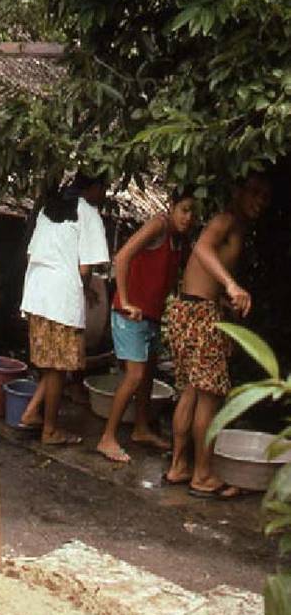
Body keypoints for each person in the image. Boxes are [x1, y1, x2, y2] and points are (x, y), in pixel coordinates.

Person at [164, 173, 272, 497]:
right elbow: (202, 249)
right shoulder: (225, 219)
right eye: (254, 193)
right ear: (238, 191)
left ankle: (179, 467)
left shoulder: (233, 224)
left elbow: (201, 271)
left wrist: (222, 296)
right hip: (200, 315)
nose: (259, 202)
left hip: (188, 308)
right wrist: (231, 284)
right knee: (209, 395)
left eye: (265, 197)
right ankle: (203, 475)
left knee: (191, 392)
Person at [96, 187, 196, 463]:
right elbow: (123, 256)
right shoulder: (159, 225)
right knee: (135, 376)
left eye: (193, 213)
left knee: (148, 375)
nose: (188, 218)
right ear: (172, 206)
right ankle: (107, 438)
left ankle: (140, 428)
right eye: (184, 209)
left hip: (151, 316)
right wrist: (125, 301)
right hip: (130, 314)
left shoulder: (180, 241)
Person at [19, 171, 109, 445]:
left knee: (52, 365)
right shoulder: (89, 214)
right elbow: (85, 268)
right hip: (61, 298)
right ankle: (50, 430)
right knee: (59, 366)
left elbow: (31, 253)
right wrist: (85, 289)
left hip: (36, 293)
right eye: (103, 188)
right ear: (93, 188)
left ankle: (31, 413)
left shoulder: (50, 208)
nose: (104, 195)